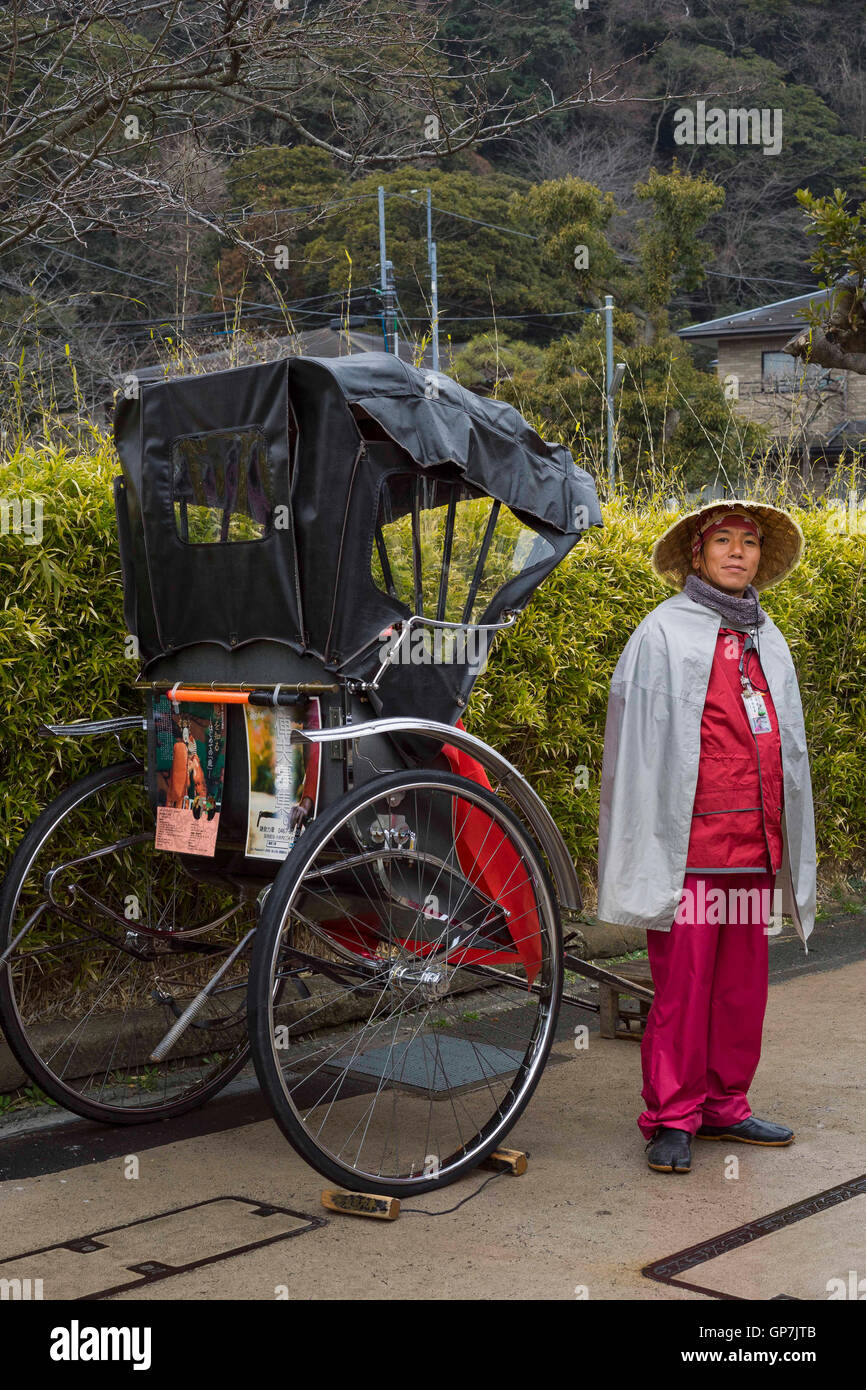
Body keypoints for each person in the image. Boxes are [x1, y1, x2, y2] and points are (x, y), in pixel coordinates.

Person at [596, 500, 816, 1175]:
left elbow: (789, 749)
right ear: (697, 553)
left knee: (741, 986)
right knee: (684, 987)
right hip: (688, 852)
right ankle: (672, 1116)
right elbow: (636, 749)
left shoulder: (765, 634)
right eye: (722, 541)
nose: (737, 553)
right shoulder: (661, 634)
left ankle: (725, 1103)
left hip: (753, 848)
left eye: (747, 543)